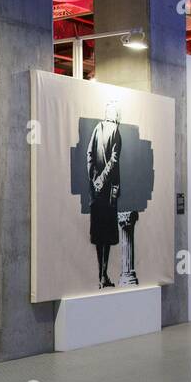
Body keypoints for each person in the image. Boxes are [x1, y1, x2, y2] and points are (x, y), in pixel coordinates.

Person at [87, 101, 121, 287]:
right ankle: (103, 276)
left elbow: (89, 156)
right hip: (109, 192)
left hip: (96, 191)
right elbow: (114, 160)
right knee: (106, 235)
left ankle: (102, 276)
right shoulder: (115, 132)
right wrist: (102, 180)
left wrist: (94, 179)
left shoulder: (96, 129)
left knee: (99, 234)